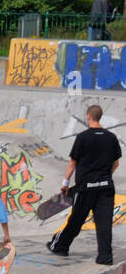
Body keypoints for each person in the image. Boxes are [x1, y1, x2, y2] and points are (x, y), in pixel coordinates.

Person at [48, 105, 121, 264]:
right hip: (106, 187)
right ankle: (105, 257)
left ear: (88, 116)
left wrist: (65, 183)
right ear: (99, 117)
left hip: (85, 188)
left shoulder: (83, 137)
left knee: (76, 220)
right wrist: (105, 177)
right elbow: (116, 163)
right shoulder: (111, 137)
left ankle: (60, 246)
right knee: (104, 223)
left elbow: (72, 163)